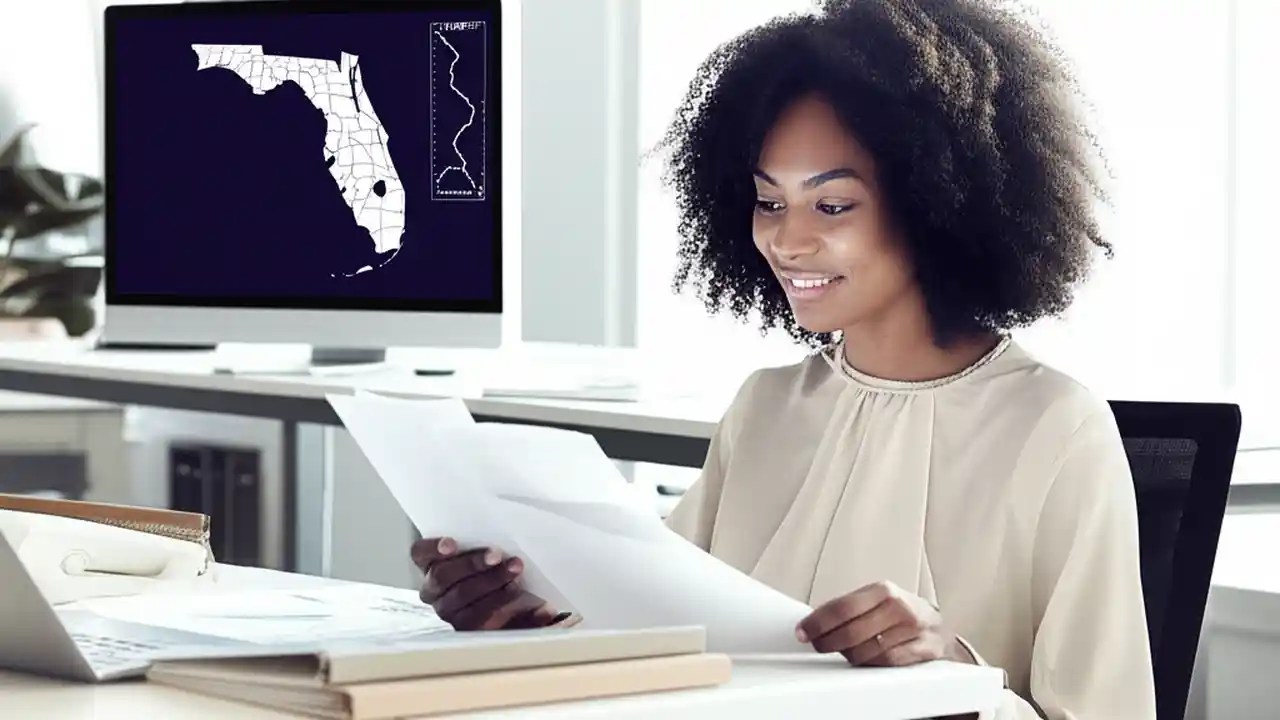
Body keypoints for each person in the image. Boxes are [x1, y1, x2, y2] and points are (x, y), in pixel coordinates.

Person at [411, 0, 1158, 717]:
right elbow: (651, 645)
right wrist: (517, 613)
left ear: (940, 203)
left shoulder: (1056, 429)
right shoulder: (766, 407)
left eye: (831, 206)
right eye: (771, 202)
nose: (788, 241)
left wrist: (953, 678)